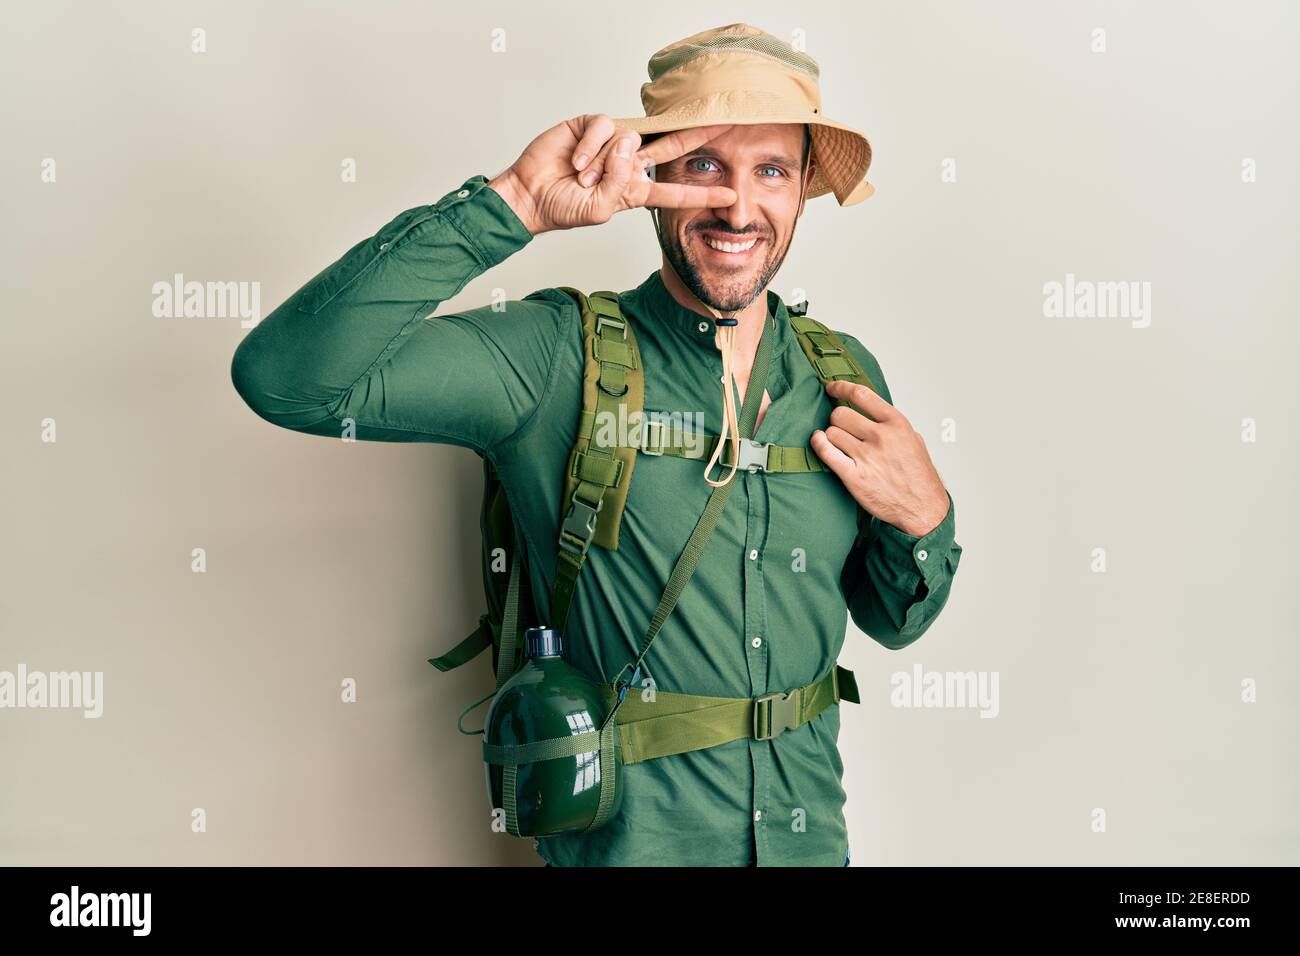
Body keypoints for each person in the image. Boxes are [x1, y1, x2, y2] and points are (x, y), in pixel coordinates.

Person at [230, 23, 962, 867]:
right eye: (704, 166)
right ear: (650, 173)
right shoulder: (557, 356)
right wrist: (510, 205)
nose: (738, 207)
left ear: (802, 191)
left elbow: (894, 621)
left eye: (771, 171)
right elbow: (286, 379)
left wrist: (926, 517)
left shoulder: (840, 372)